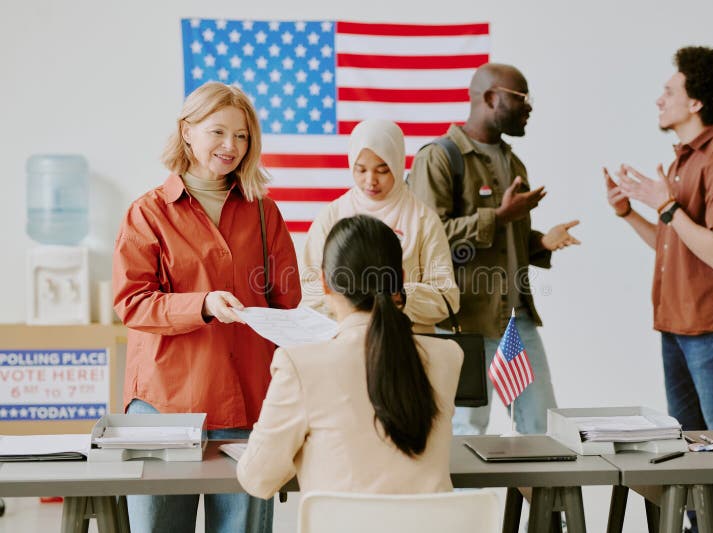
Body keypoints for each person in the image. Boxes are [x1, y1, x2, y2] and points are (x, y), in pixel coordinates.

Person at [112, 81, 302, 533]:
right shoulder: (148, 213)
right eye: (218, 132)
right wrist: (204, 305)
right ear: (187, 131)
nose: (230, 146)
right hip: (164, 410)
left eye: (241, 136)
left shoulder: (264, 213)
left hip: (248, 406)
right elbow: (132, 303)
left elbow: (287, 302)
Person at [605, 46, 713, 533]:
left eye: (669, 91)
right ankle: (703, 525)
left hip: (710, 324)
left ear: (695, 103)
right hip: (674, 320)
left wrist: (668, 206)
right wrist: (633, 213)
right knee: (691, 438)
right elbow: (673, 245)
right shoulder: (680, 164)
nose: (659, 100)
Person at [407, 63, 580, 435]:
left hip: (515, 318)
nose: (529, 107)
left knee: (543, 427)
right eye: (521, 98)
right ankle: (476, 498)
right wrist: (498, 217)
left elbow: (508, 244)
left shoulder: (512, 161)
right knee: (468, 430)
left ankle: (536, 496)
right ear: (490, 97)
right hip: (461, 322)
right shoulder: (439, 158)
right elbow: (428, 238)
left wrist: (541, 242)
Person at [237, 214, 463, 497]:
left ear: (324, 284)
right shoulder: (447, 357)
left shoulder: (299, 365)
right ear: (400, 280)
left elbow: (257, 479)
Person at [301, 119, 459, 332]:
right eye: (361, 170)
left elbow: (447, 298)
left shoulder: (423, 219)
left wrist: (399, 294)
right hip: (344, 345)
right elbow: (306, 290)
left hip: (406, 345)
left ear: (398, 163)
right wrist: (350, 293)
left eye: (382, 170)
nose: (370, 180)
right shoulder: (332, 215)